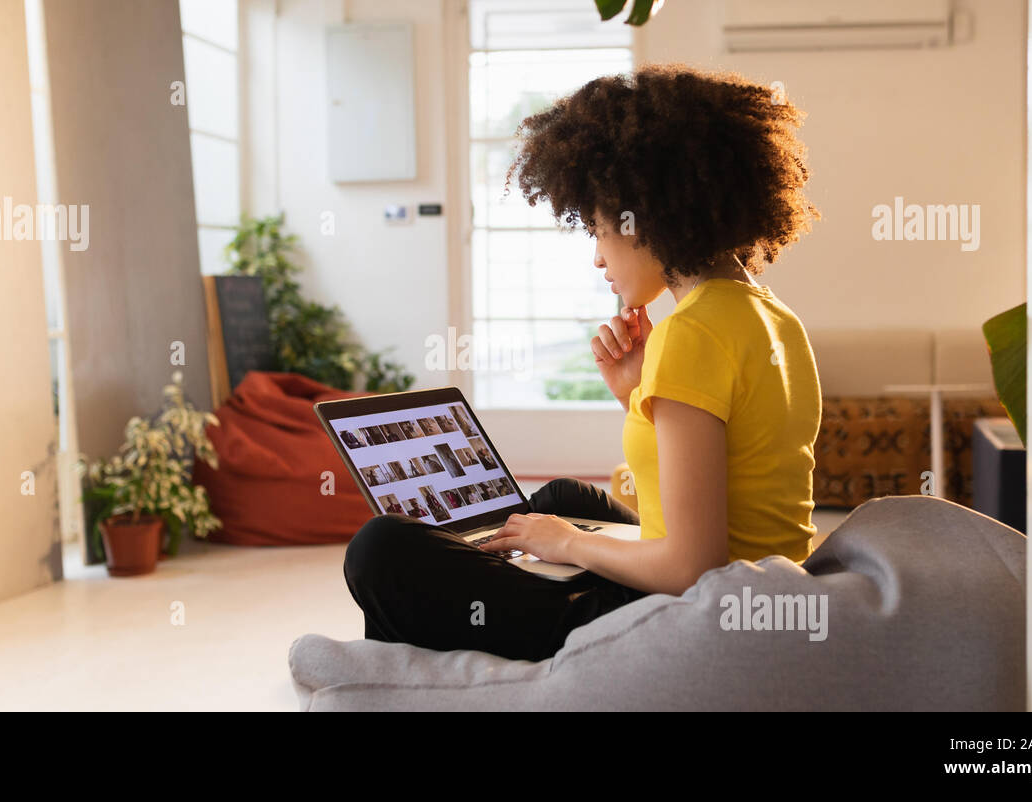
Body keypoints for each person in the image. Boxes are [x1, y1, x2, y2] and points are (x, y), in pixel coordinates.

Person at [344, 65, 822, 662]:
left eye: (598, 230)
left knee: (381, 549)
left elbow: (690, 567)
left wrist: (570, 546)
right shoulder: (771, 315)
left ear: (645, 216)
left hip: (699, 621)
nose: (598, 258)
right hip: (762, 591)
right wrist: (638, 395)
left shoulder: (693, 333)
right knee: (567, 495)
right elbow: (727, 480)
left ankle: (415, 669)